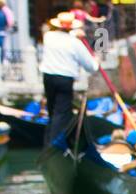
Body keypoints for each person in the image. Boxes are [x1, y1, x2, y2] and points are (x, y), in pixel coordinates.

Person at [40, 13, 99, 148]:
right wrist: (96, 61)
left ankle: (47, 144)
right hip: (64, 80)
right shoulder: (76, 43)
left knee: (52, 111)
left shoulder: (48, 37)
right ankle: (54, 147)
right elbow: (90, 67)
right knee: (61, 113)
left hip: (48, 78)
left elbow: (60, 38)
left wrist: (73, 36)